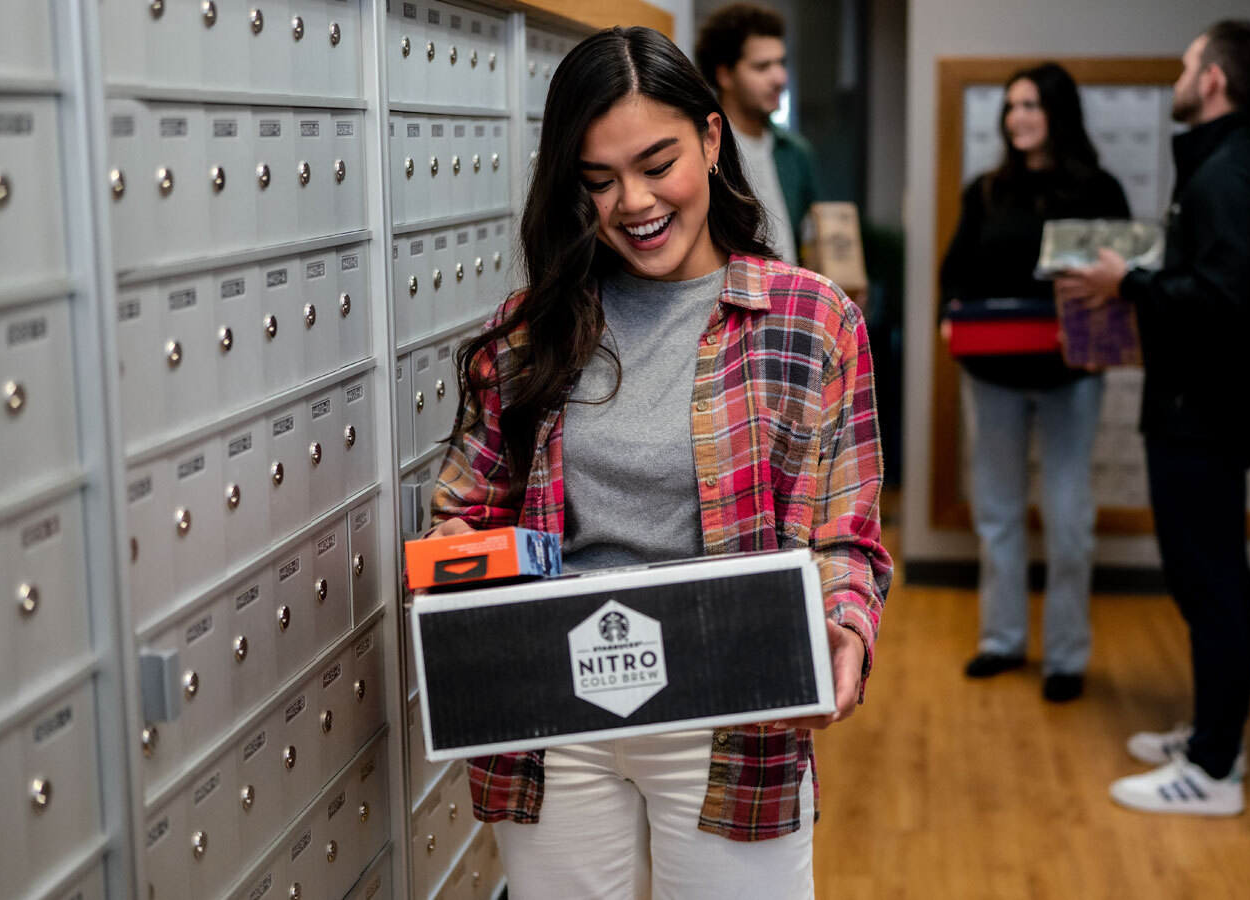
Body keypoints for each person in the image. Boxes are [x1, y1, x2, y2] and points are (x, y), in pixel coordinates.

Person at [429, 25, 891, 898]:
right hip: (558, 713)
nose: (632, 203)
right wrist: (460, 571)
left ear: (711, 139)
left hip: (734, 712)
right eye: (598, 179)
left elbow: (847, 531)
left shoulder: (812, 319)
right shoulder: (534, 329)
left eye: (656, 163)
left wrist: (843, 623)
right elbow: (466, 506)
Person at [1056, 20, 1250, 816]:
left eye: (1189, 64)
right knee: (1202, 581)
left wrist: (1127, 284)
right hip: (1197, 407)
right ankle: (1212, 735)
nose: (1178, 76)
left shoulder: (1228, 174)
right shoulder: (1221, 164)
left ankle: (1215, 770)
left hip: (1207, 412)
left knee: (1213, 584)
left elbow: (1222, 301)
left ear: (1214, 80)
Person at [939, 63, 1130, 703]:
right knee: (997, 514)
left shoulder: (1099, 189)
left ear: (1058, 112)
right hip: (993, 374)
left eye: (1030, 105)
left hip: (1070, 377)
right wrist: (950, 315)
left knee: (1069, 520)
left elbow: (1122, 282)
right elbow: (955, 271)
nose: (1017, 117)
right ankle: (1002, 639)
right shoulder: (986, 191)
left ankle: (1067, 656)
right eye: (1010, 106)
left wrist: (1106, 339)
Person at [695, 3, 821, 266]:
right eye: (762, 67)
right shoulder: (702, 148)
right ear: (725, 75)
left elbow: (813, 237)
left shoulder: (795, 151)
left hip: (791, 289)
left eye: (781, 63)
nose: (780, 78)